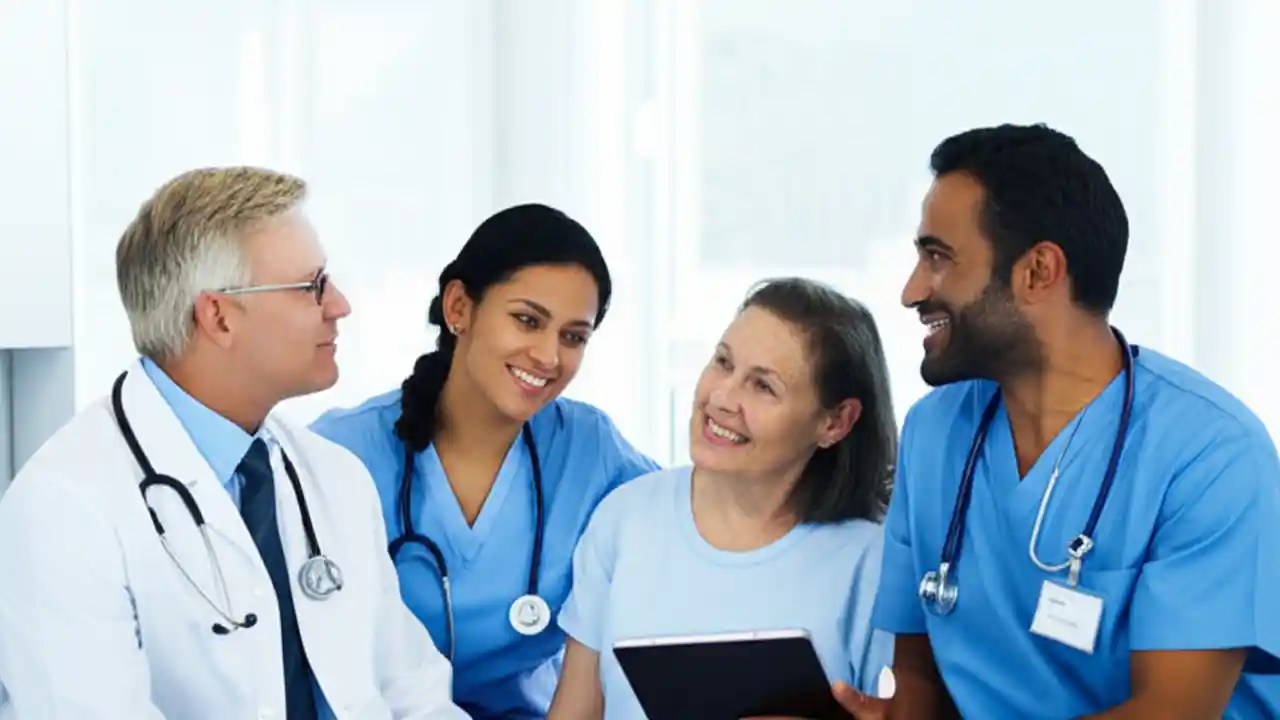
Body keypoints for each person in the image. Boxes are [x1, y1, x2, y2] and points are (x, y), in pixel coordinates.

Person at [0, 167, 468, 719]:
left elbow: (411, 693)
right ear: (218, 316)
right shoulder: (66, 504)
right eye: (312, 285)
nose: (339, 304)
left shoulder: (332, 476)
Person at [854, 124, 1280, 719]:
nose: (911, 290)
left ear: (1037, 272)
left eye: (937, 257)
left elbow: (1173, 712)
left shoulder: (1210, 456)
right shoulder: (934, 435)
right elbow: (919, 684)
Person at [309, 203, 658, 719]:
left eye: (573, 337)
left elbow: (695, 526)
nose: (548, 356)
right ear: (459, 308)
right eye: (527, 320)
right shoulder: (340, 452)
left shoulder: (590, 450)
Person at [546, 277, 897, 719]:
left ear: (836, 422)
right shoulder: (626, 518)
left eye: (763, 386)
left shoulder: (871, 559)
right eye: (723, 363)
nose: (722, 398)